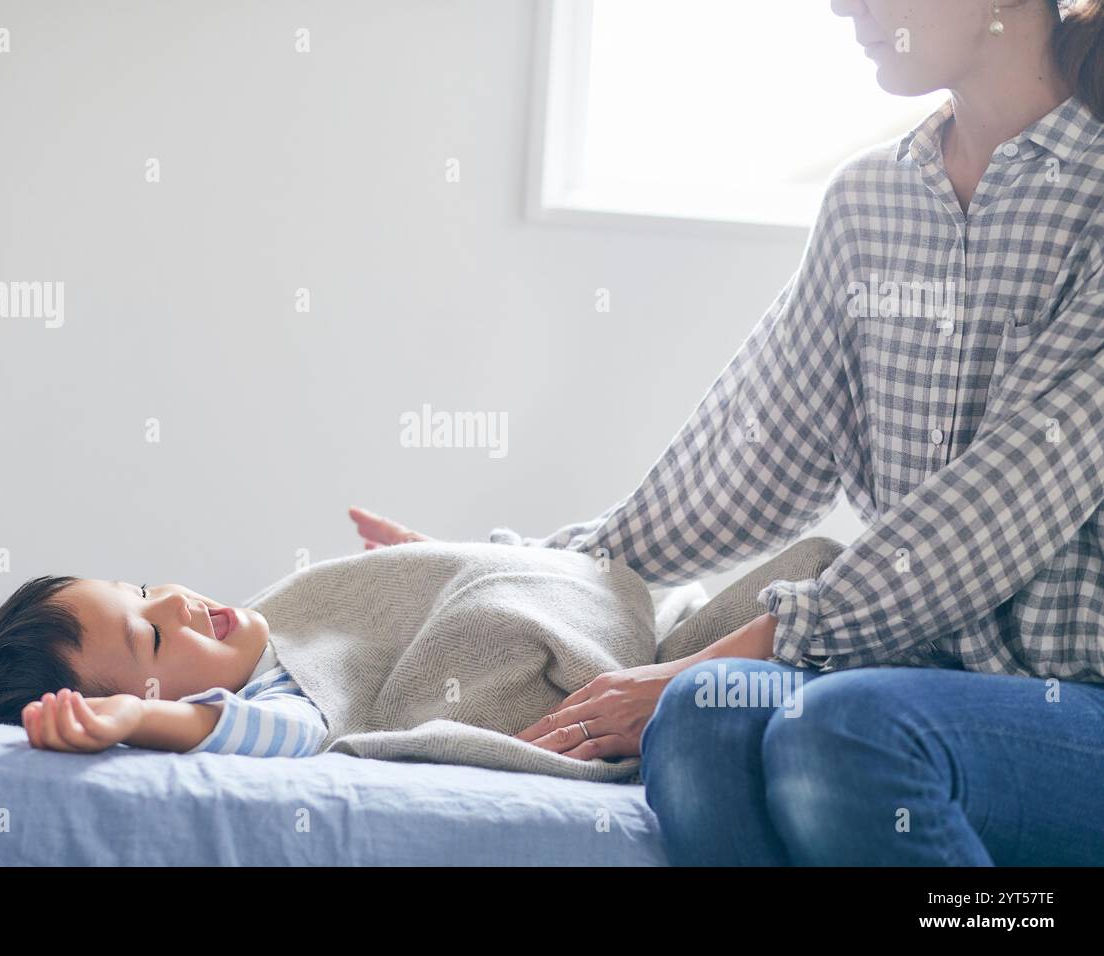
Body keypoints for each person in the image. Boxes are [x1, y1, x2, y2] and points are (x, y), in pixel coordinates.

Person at [350, 0, 1104, 864]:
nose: (839, 4)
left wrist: (728, 652)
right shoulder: (872, 203)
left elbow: (999, 510)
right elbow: (736, 467)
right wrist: (497, 569)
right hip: (923, 679)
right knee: (702, 722)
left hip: (1076, 701)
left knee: (844, 729)